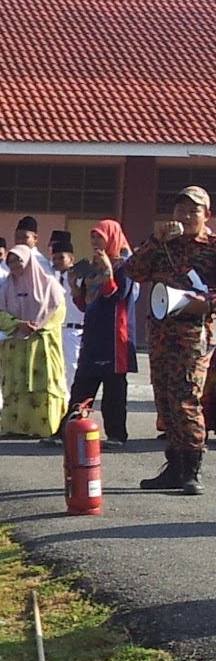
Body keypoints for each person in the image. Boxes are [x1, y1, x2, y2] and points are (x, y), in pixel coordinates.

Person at [124, 186, 216, 492]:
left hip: (193, 334)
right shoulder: (165, 245)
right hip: (162, 334)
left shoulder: (212, 248)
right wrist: (155, 242)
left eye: (193, 211)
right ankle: (174, 465)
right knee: (164, 399)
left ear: (207, 215)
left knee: (185, 398)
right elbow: (132, 271)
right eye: (180, 210)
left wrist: (203, 302)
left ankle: (192, 467)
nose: (186, 217)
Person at [50, 226, 136, 448]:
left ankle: (117, 435)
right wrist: (74, 288)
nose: (96, 241)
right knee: (82, 385)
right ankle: (65, 431)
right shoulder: (92, 266)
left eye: (100, 236)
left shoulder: (125, 266)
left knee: (114, 390)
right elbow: (86, 304)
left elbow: (118, 295)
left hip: (115, 337)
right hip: (93, 333)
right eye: (93, 236)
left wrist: (108, 272)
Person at [0, 245, 68, 438]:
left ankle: (45, 427)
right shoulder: (7, 286)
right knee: (16, 385)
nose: (14, 265)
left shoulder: (48, 283)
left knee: (44, 384)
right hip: (15, 344)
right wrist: (18, 324)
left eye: (18, 260)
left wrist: (38, 326)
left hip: (41, 344)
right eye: (10, 261)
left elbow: (58, 310)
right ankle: (15, 427)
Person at [51, 234, 84, 385]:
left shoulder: (80, 277)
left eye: (61, 258)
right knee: (54, 367)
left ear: (71, 259)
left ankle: (72, 402)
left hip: (74, 330)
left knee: (72, 368)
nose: (57, 262)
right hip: (55, 329)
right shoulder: (51, 278)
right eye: (54, 258)